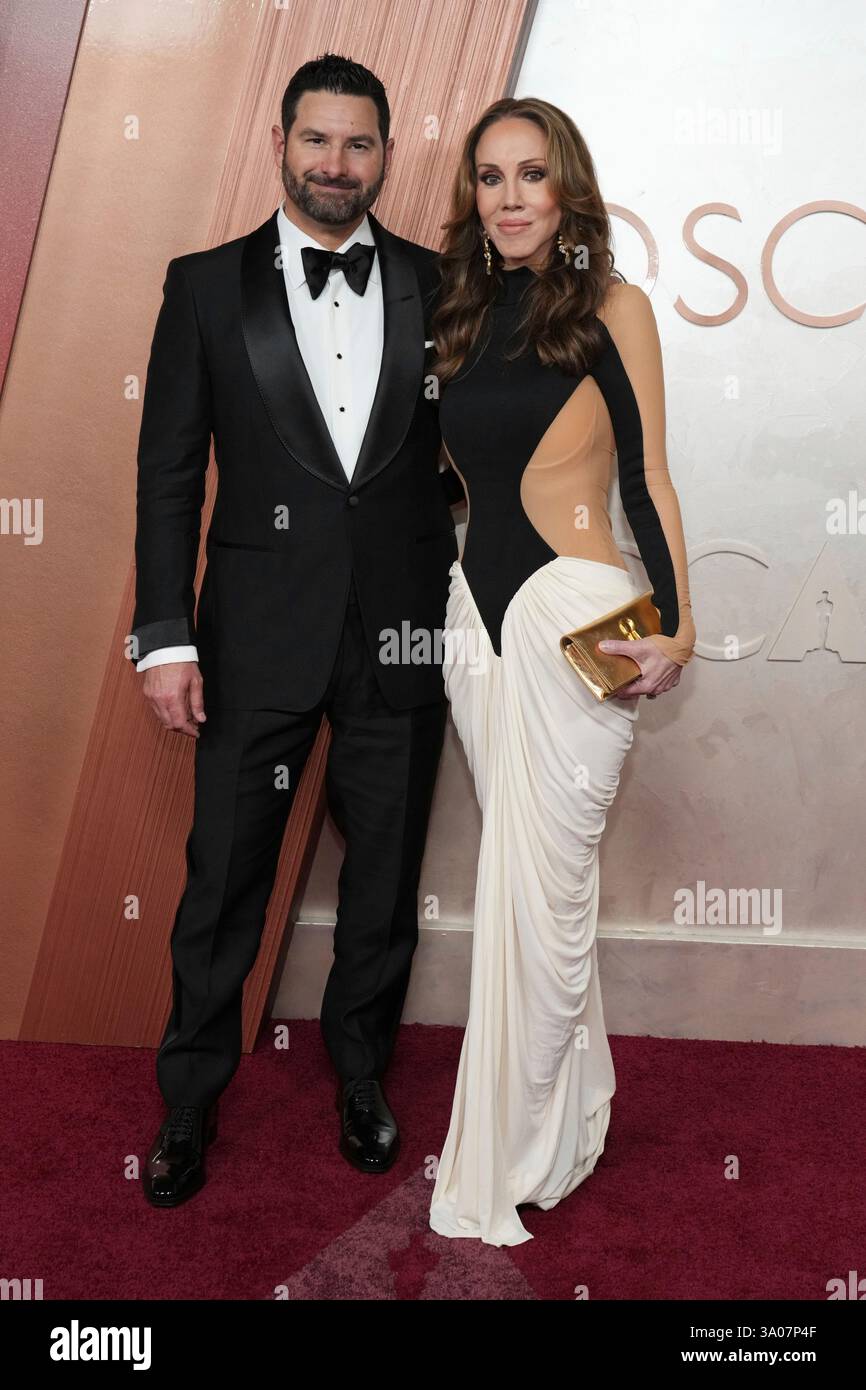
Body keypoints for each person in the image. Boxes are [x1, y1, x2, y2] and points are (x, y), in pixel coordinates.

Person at [132, 54, 459, 1207]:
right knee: (223, 877)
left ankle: (360, 1077)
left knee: (383, 880)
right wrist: (163, 637)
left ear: (383, 153)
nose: (335, 164)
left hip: (401, 637)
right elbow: (169, 469)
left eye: (358, 144)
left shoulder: (439, 281)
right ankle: (187, 1105)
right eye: (316, 141)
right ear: (281, 142)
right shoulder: (203, 285)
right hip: (251, 639)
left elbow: (488, 453)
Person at [428, 97, 697, 1246]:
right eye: (488, 177)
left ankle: (524, 1143)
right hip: (473, 625)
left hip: (577, 618)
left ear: (566, 188)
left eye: (530, 174)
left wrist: (677, 627)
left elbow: (646, 478)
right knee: (519, 889)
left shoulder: (611, 307)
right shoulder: (457, 320)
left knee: (545, 894)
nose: (508, 196)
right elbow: (445, 488)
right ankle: (563, 1115)